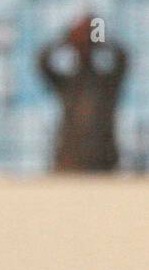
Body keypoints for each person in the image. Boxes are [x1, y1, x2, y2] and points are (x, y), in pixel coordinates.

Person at [37, 14, 129, 172]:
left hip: (103, 162)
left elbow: (123, 59)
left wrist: (100, 39)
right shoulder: (67, 83)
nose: (84, 48)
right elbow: (42, 62)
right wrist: (67, 39)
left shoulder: (107, 83)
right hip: (69, 161)